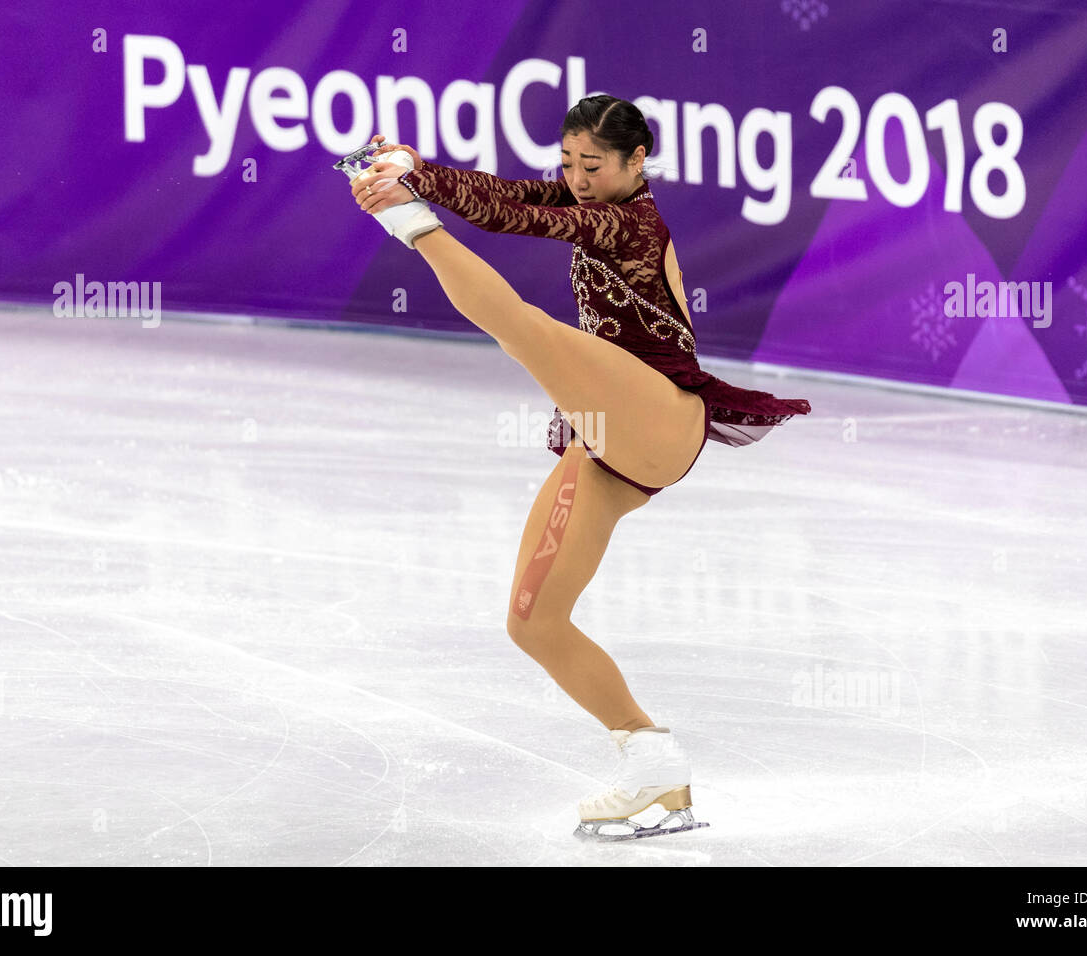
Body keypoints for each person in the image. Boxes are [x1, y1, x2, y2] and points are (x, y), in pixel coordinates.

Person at [341, 94, 811, 841]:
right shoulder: (586, 196)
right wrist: (417, 171)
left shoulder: (631, 221)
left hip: (660, 414)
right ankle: (653, 761)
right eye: (567, 163)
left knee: (522, 329)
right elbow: (508, 195)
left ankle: (411, 230)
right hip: (607, 438)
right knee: (533, 622)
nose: (578, 179)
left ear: (636, 162)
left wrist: (410, 195)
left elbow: (518, 220)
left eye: (592, 165)